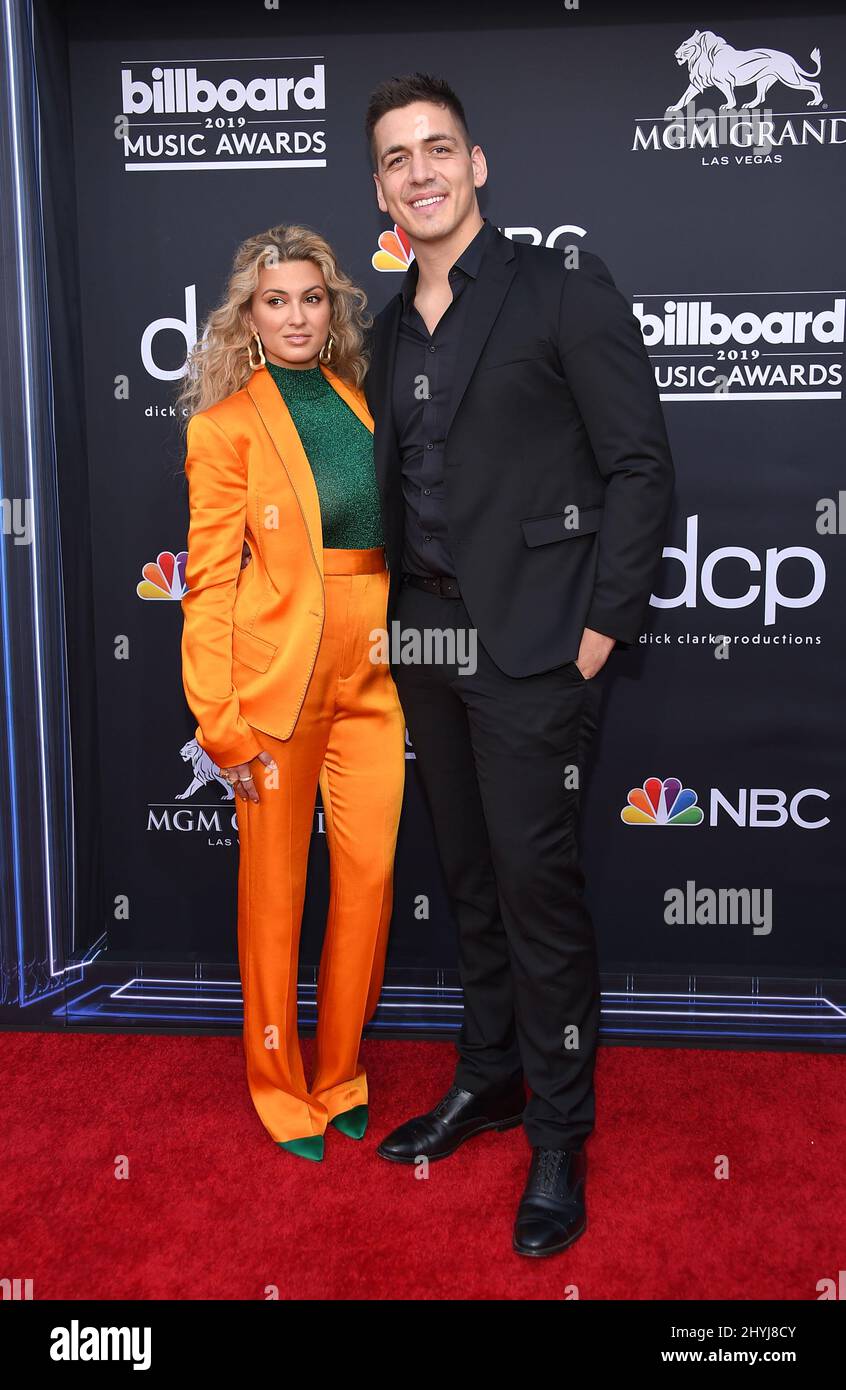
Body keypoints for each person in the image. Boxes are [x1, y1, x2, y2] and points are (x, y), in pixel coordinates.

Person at [362, 74, 675, 1254]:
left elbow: (641, 464)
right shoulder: (389, 329)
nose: (421, 173)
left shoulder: (560, 288)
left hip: (541, 644)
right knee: (472, 877)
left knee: (540, 897)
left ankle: (559, 1131)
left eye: (438, 149)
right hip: (427, 639)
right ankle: (489, 1078)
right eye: (398, 158)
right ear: (379, 186)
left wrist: (602, 625)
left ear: (478, 164)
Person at [177, 225, 406, 1162]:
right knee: (275, 902)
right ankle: (278, 1086)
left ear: (332, 306)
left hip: (378, 680)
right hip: (276, 688)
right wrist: (219, 722)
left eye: (312, 297)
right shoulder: (224, 427)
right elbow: (209, 582)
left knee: (369, 886)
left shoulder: (364, 403)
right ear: (250, 318)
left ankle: (341, 1071)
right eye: (276, 301)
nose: (297, 315)